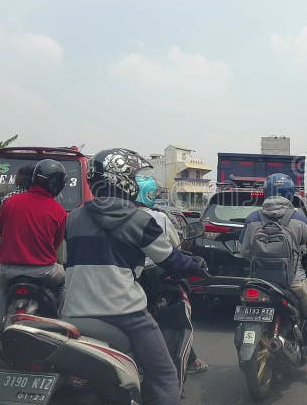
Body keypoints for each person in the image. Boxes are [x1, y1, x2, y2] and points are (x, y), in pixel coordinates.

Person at [62, 148, 207, 405]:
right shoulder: (138, 219)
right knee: (164, 375)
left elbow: (64, 260)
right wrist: (195, 265)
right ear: (123, 179)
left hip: (73, 312)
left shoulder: (73, 218)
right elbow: (169, 259)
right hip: (125, 313)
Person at [239, 173, 307, 384]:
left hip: (259, 282)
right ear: (290, 194)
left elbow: (244, 251)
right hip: (293, 281)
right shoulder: (298, 218)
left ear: (266, 193)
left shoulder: (253, 218)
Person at [133, 174, 209, 375]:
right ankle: (183, 364)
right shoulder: (159, 218)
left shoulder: (121, 215)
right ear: (149, 194)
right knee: (178, 316)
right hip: (155, 278)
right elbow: (175, 248)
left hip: (127, 279)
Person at [0, 159, 68, 335]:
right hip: (43, 271)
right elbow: (56, 243)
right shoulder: (59, 211)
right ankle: (64, 322)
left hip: (8, 270)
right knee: (64, 283)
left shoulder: (10, 202)